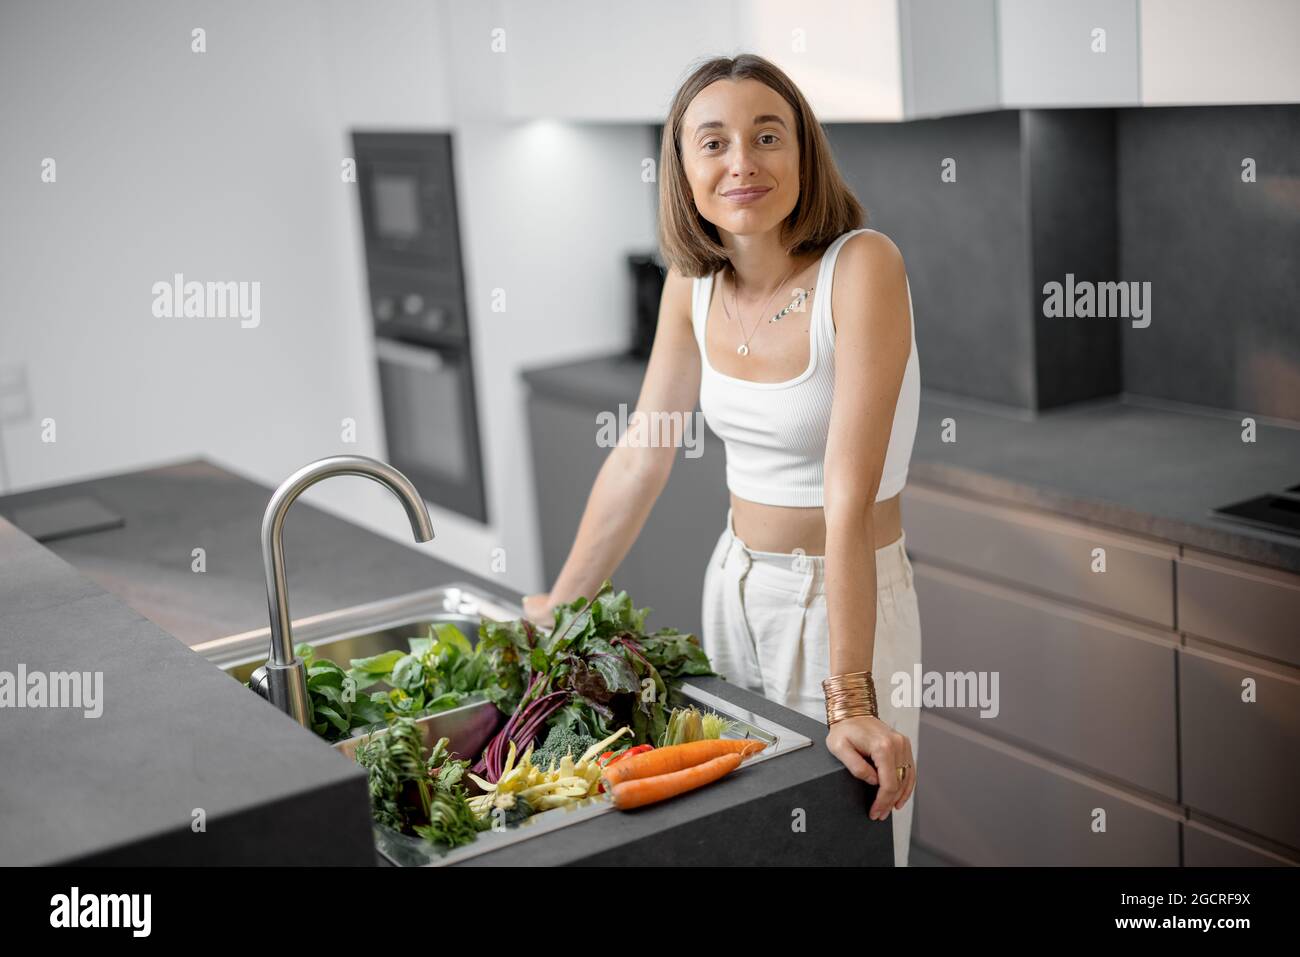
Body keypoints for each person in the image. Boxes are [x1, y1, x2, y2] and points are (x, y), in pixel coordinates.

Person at [522, 53, 922, 866]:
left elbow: (848, 492)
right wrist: (563, 606)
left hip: (840, 600)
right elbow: (644, 451)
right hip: (733, 584)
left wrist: (850, 694)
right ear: (683, 169)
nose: (742, 161)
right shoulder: (690, 283)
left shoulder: (862, 266)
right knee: (751, 839)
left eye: (767, 135)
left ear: (803, 153)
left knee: (848, 845)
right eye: (714, 143)